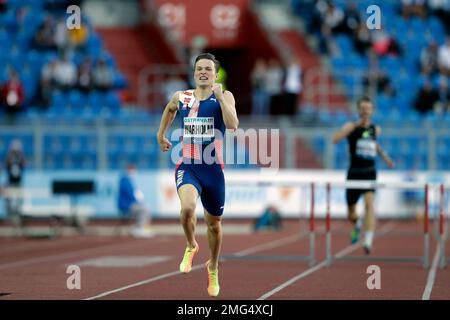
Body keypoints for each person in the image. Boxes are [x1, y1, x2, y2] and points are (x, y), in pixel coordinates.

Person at [157, 52, 238, 297]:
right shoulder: (181, 97)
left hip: (213, 170)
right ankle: (191, 244)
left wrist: (221, 98)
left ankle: (212, 266)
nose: (203, 72)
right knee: (188, 209)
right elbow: (170, 109)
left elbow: (233, 124)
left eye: (208, 69)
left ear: (215, 74)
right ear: (194, 73)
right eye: (200, 68)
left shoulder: (224, 96)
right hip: (188, 165)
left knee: (214, 226)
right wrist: (160, 134)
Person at [332, 97, 394, 254]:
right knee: (351, 214)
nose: (366, 111)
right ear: (359, 110)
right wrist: (349, 129)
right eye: (363, 108)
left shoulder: (375, 129)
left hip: (369, 173)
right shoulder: (351, 126)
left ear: (372, 111)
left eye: (369, 108)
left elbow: (374, 144)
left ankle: (367, 241)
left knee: (369, 204)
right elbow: (335, 140)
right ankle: (357, 223)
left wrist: (385, 157)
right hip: (354, 174)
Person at [117, 164, 153, 238]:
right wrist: (137, 199)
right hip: (126, 206)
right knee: (145, 208)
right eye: (133, 170)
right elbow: (129, 193)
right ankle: (140, 228)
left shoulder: (128, 180)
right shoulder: (124, 180)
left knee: (145, 207)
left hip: (130, 204)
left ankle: (142, 227)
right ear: (129, 170)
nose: (134, 172)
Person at [4, 140, 26, 228]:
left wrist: (20, 156)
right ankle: (9, 214)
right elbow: (7, 164)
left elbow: (24, 164)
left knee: (19, 199)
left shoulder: (21, 157)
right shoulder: (9, 157)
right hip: (11, 182)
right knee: (8, 198)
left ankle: (18, 213)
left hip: (18, 182)